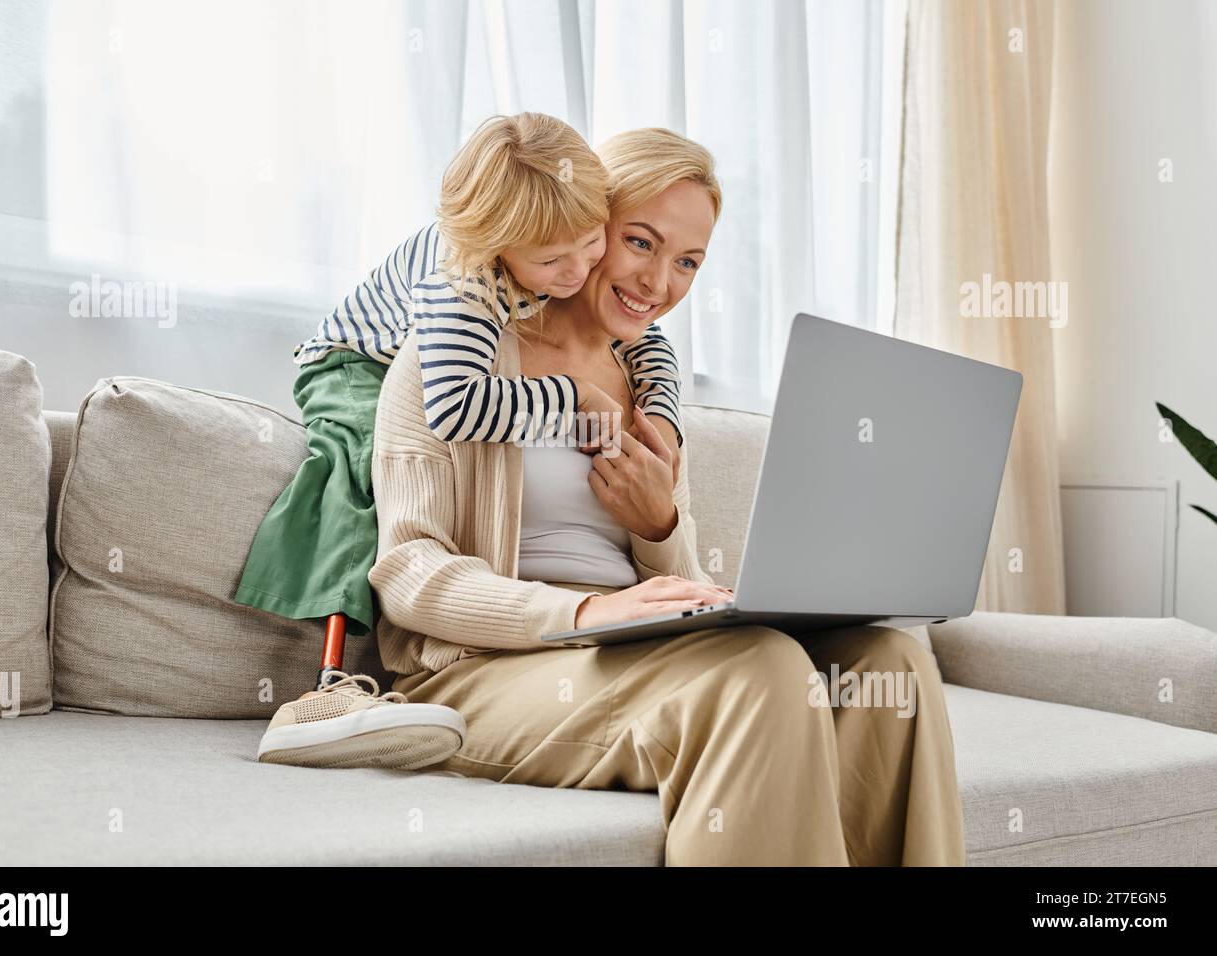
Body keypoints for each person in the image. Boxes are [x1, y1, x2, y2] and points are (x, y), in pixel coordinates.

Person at [367, 127, 969, 865]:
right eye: (641, 242)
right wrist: (581, 610)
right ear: (588, 227)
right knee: (763, 673)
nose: (661, 283)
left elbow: (669, 584)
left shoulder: (653, 392)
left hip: (632, 647)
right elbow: (408, 573)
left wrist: (657, 522)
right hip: (484, 669)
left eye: (688, 260)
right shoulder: (453, 359)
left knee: (889, 665)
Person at [248, 113, 683, 769]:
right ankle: (328, 687)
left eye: (591, 245)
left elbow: (649, 340)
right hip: (357, 361)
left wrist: (665, 416)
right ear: (499, 247)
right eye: (551, 261)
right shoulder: (462, 286)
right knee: (361, 474)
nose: (576, 273)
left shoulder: (560, 251)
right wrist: (572, 397)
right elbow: (454, 407)